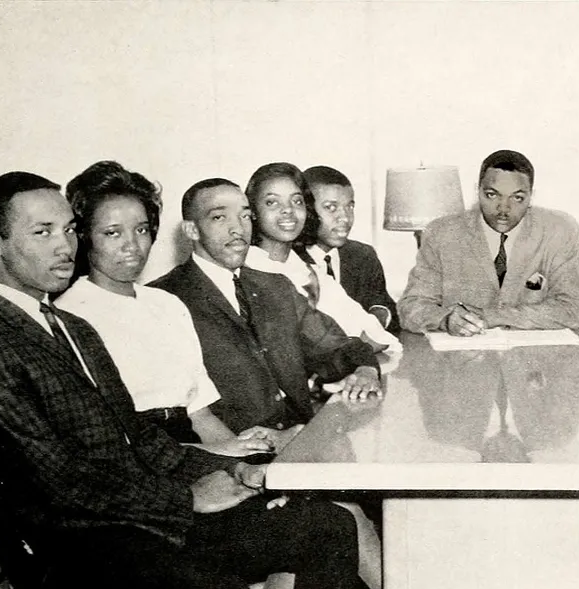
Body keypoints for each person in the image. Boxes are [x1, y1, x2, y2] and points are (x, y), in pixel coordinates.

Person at [0, 171, 374, 589]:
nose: (64, 246)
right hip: (76, 536)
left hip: (135, 505)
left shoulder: (69, 326)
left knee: (326, 527)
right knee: (219, 588)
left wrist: (238, 471)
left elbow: (134, 437)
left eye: (66, 230)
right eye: (43, 233)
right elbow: (55, 479)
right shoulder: (1, 337)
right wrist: (186, 498)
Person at [55, 161, 285, 453]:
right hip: (143, 461)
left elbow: (200, 415)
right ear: (85, 236)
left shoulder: (167, 304)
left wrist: (243, 457)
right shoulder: (68, 315)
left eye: (141, 229)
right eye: (113, 233)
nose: (132, 245)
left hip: (192, 452)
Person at [150, 177, 382, 434]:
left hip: (300, 442)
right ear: (191, 230)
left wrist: (366, 371)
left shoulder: (275, 287)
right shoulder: (161, 300)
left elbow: (336, 347)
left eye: (245, 216)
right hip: (238, 457)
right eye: (219, 218)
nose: (237, 229)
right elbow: (175, 415)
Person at [398, 149, 579, 335]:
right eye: (492, 194)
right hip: (463, 360)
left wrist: (493, 316)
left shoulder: (559, 230)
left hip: (533, 360)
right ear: (477, 191)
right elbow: (411, 306)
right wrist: (445, 320)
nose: (503, 208)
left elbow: (571, 310)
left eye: (517, 198)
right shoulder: (442, 233)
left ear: (531, 197)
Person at [240, 162, 399, 352]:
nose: (345, 218)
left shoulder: (308, 271)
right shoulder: (252, 269)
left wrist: (363, 352)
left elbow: (375, 332)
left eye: (296, 201)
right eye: (331, 207)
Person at [301, 165, 400, 334]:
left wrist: (378, 317)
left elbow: (383, 303)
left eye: (350, 207)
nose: (345, 217)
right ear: (306, 210)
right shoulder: (291, 261)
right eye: (331, 207)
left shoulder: (362, 255)